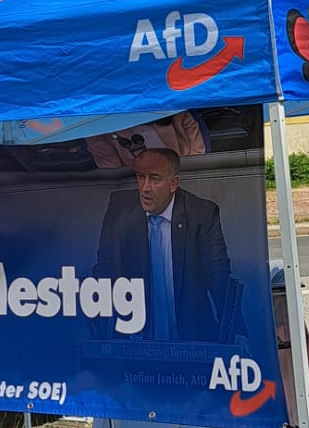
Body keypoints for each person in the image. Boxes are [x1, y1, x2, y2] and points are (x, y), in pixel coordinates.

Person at [94, 145, 232, 342]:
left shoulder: (201, 213)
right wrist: (93, 327)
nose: (145, 188)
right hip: (135, 337)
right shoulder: (120, 209)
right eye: (140, 177)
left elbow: (218, 276)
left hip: (192, 338)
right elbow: (106, 269)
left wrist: (237, 333)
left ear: (173, 183)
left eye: (154, 179)